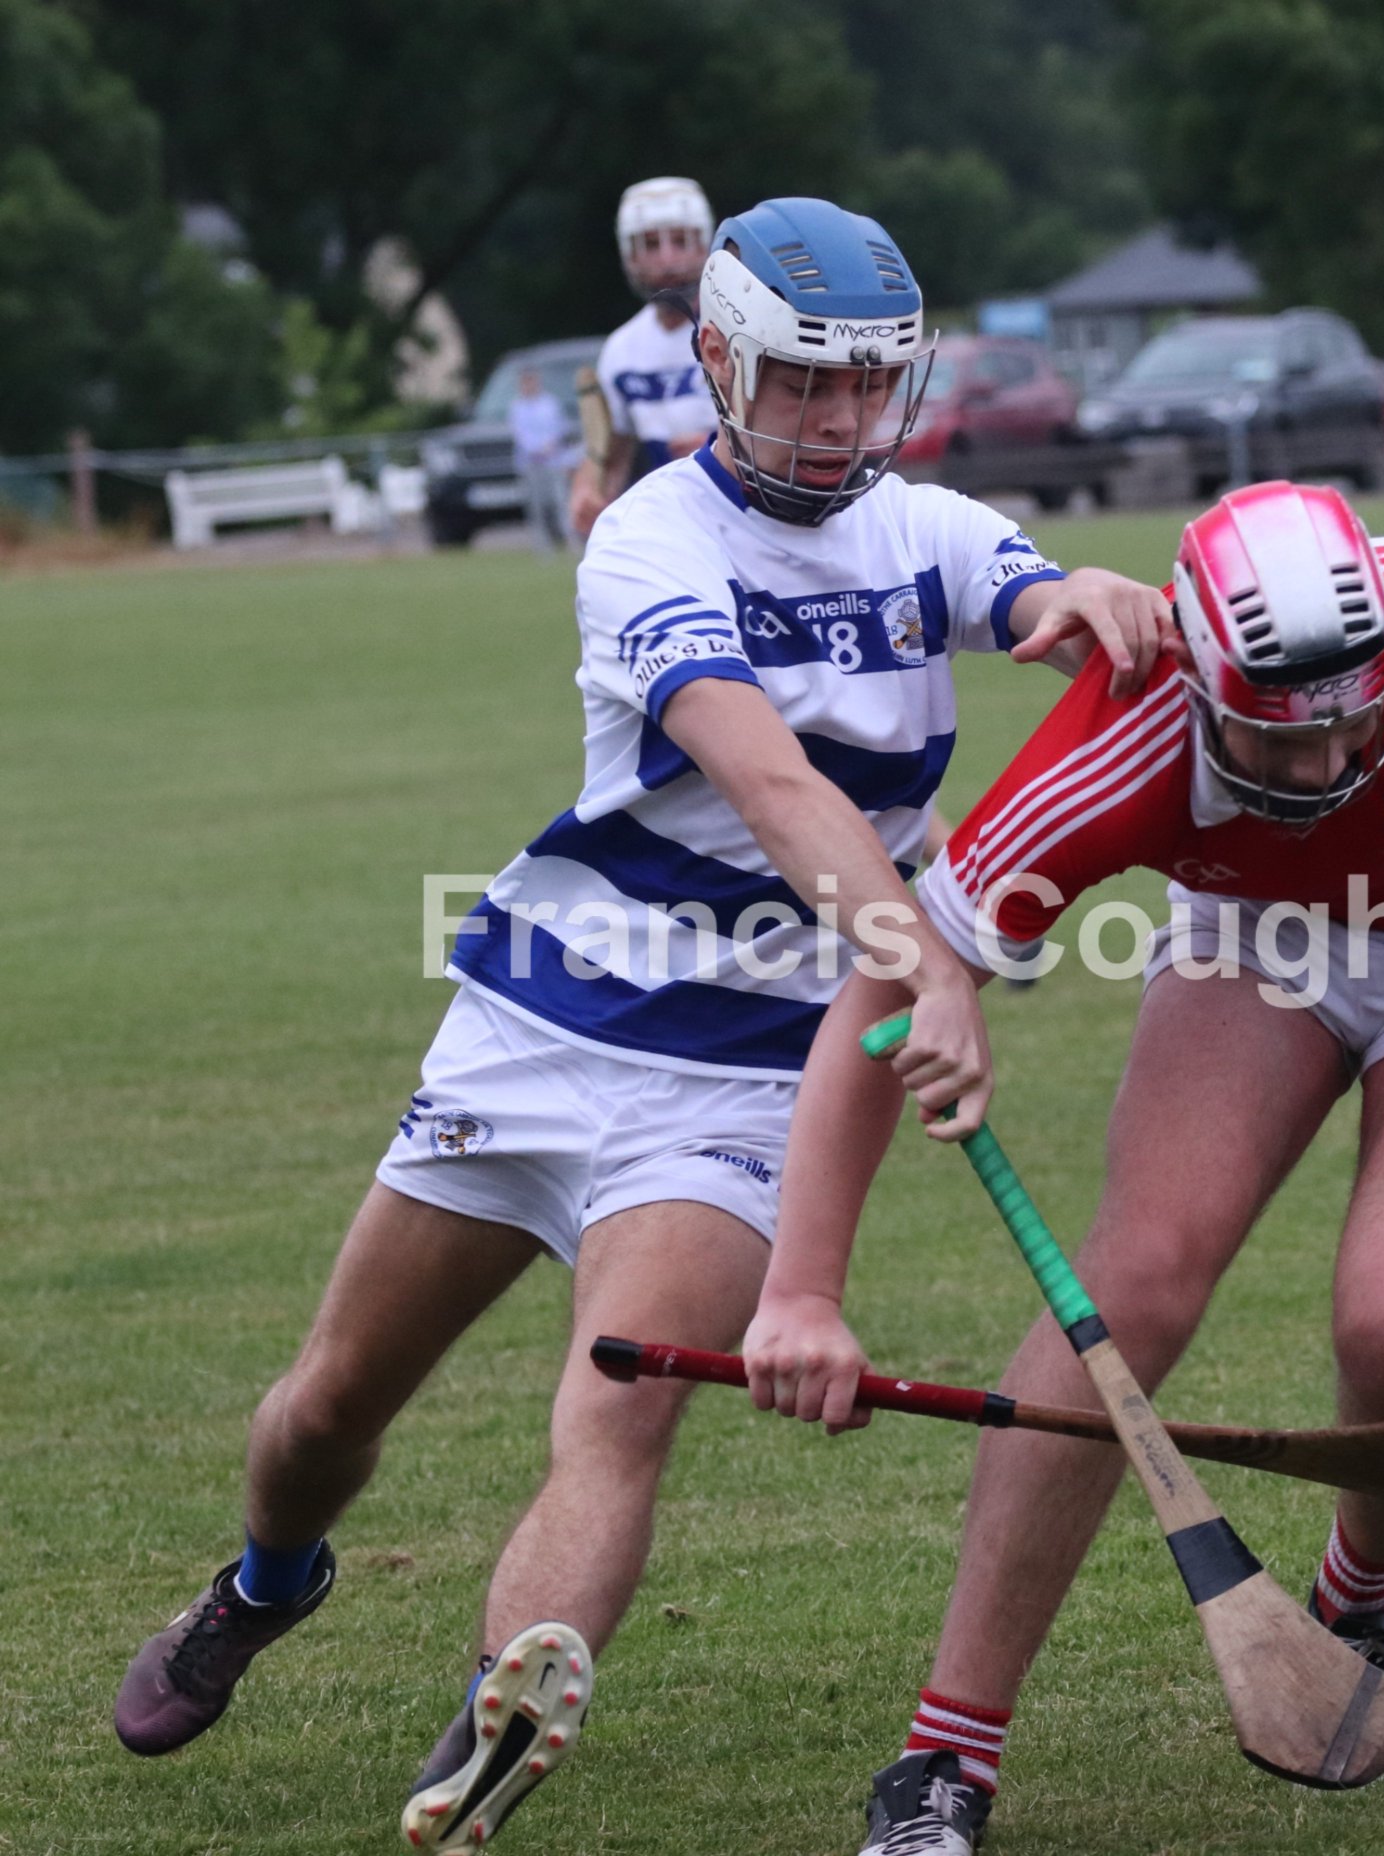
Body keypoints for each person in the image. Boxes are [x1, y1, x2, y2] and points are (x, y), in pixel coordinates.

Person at [111, 197, 1170, 1851]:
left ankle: (491, 1725)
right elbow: (768, 777)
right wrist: (924, 955)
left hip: (740, 1087)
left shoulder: (927, 533)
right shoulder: (650, 541)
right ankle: (263, 1583)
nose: (836, 420)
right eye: (802, 383)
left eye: (866, 384)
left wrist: (1090, 599)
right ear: (716, 359)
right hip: (537, 1030)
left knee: (612, 1420)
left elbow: (1030, 602)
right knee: (327, 1410)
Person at [743, 481, 1384, 1855]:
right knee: (1134, 1283)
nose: (1324, 771)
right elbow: (891, 972)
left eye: (1355, 728)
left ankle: (1368, 1583)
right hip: (1254, 931)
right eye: (1279, 744)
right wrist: (804, 1287)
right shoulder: (1126, 733)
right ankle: (946, 1754)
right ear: (1202, 681)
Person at [568, 176, 723, 538]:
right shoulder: (622, 351)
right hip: (672, 527)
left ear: (706, 243)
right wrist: (588, 489)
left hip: (751, 517)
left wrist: (721, 445)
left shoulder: (743, 325)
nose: (667, 259)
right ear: (629, 254)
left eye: (682, 241)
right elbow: (612, 454)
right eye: (651, 244)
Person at [508, 368, 575, 552]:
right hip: (530, 463)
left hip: (554, 461)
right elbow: (520, 435)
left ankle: (570, 540)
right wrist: (537, 449)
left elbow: (560, 427)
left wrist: (550, 446)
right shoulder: (517, 407)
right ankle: (543, 546)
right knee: (536, 506)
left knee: (560, 502)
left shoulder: (550, 403)